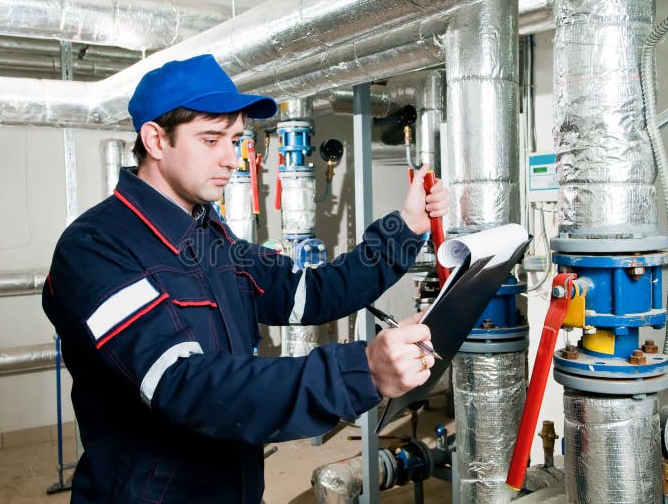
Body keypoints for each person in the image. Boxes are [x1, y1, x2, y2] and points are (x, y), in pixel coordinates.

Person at [42, 54, 449, 503]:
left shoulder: (212, 238)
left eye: (235, 140)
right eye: (211, 139)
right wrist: (360, 371)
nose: (230, 159)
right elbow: (182, 384)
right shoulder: (95, 248)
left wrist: (406, 228)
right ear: (156, 140)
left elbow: (311, 293)